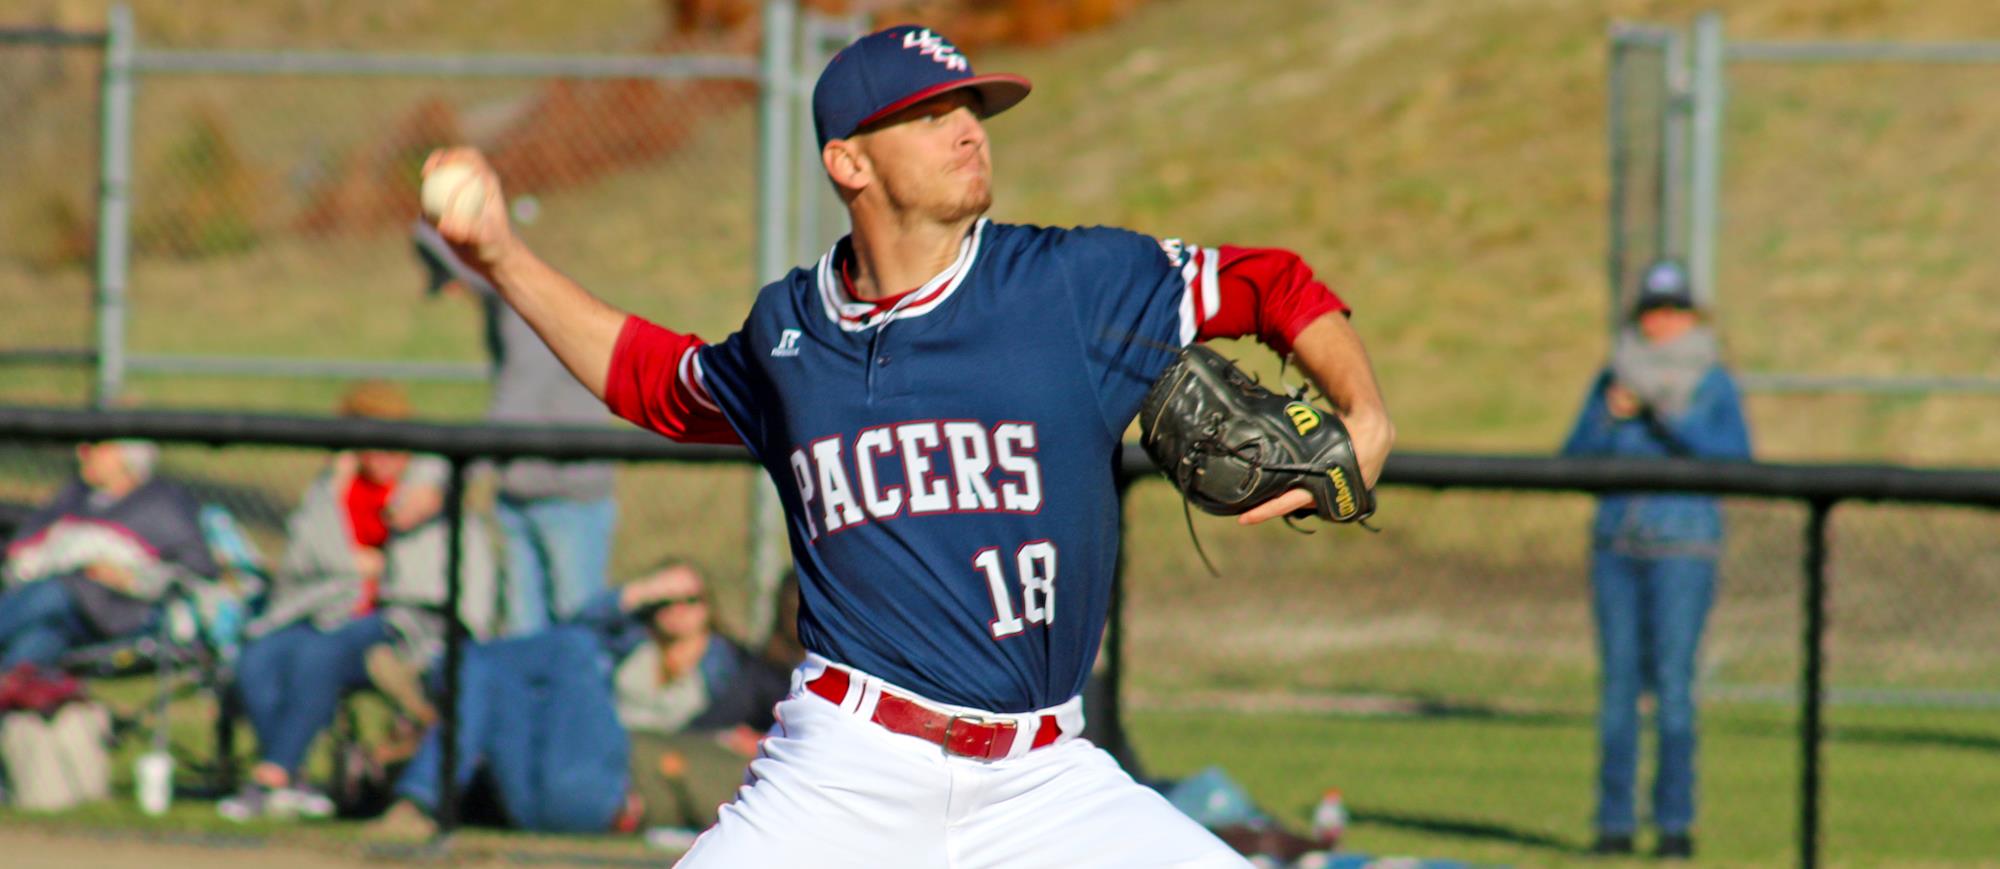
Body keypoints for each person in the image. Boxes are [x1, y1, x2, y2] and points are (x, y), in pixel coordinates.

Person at [422, 23, 1393, 866]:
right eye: (928, 117)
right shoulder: (789, 332)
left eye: (969, 107)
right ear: (849, 163)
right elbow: (652, 379)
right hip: (845, 769)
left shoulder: (1070, 283)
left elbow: (1269, 282)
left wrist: (1362, 413)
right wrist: (499, 255)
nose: (967, 128)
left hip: (1045, 782)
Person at [222, 380, 497, 822]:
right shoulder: (336, 489)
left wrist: (384, 547)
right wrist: (336, 487)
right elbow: (304, 556)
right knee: (260, 657)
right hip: (335, 612)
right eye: (364, 445)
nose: (377, 456)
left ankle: (272, 776)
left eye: (387, 443)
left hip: (411, 618)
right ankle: (295, 781)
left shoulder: (431, 473)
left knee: (319, 652)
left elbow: (422, 504)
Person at [369, 559, 791, 836]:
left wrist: (757, 740)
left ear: (708, 608)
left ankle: (436, 679)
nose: (677, 609)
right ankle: (417, 805)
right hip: (547, 782)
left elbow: (779, 709)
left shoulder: (732, 668)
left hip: (615, 778)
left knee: (573, 650)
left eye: (690, 600)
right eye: (664, 600)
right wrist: (632, 595)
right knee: (495, 677)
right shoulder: (630, 646)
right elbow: (571, 627)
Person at [1561, 259, 1751, 860]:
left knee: (1673, 687)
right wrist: (1608, 417)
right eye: (1651, 311)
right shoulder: (1613, 378)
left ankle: (1674, 824)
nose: (1660, 323)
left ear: (1691, 317)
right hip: (1618, 545)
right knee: (1617, 691)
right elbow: (1572, 458)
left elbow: (1734, 457)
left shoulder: (1711, 381)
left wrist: (1664, 415)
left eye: (1672, 311)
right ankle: (1613, 824)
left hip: (1683, 548)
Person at [413, 221, 619, 637]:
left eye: (452, 278)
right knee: (524, 633)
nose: (454, 293)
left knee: (575, 631)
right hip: (521, 494)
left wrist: (449, 482)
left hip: (567, 496)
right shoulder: (501, 307)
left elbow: (517, 405)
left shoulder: (525, 305)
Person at [0, 441, 216, 667]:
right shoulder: (77, 496)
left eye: (96, 446)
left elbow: (197, 574)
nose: (82, 453)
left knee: (55, 593)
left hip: (129, 614)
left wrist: (130, 579)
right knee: (41, 638)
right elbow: (25, 547)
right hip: (73, 617)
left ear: (124, 458)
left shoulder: (162, 506)